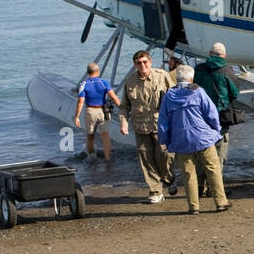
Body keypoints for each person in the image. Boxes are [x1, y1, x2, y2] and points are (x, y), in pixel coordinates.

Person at [158, 64, 229, 214]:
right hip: (202, 137)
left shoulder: (169, 96)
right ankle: (221, 202)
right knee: (213, 168)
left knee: (188, 173)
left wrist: (164, 140)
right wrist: (215, 130)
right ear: (191, 78)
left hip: (181, 139)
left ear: (176, 79)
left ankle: (193, 206)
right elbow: (211, 113)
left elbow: (163, 121)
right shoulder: (198, 92)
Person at [120, 50, 174, 204]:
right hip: (140, 126)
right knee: (146, 158)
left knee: (165, 155)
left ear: (150, 62)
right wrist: (123, 123)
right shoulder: (130, 81)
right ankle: (155, 191)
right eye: (139, 63)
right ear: (135, 64)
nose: (142, 65)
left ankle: (168, 178)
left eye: (145, 62)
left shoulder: (162, 76)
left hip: (161, 125)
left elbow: (175, 96)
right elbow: (124, 106)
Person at [193, 42, 240, 168]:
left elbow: (193, 88)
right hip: (221, 116)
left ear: (209, 53)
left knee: (203, 149)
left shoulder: (199, 68)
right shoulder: (227, 70)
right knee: (220, 149)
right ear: (224, 56)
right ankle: (215, 183)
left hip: (201, 115)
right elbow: (235, 93)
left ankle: (201, 182)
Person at [72, 62, 120, 162]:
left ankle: (92, 158)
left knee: (90, 136)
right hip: (104, 111)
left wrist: (76, 116)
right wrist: (123, 110)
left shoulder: (84, 84)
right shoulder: (104, 82)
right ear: (98, 71)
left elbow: (81, 101)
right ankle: (107, 159)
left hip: (90, 111)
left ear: (88, 72)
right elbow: (114, 98)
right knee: (105, 136)